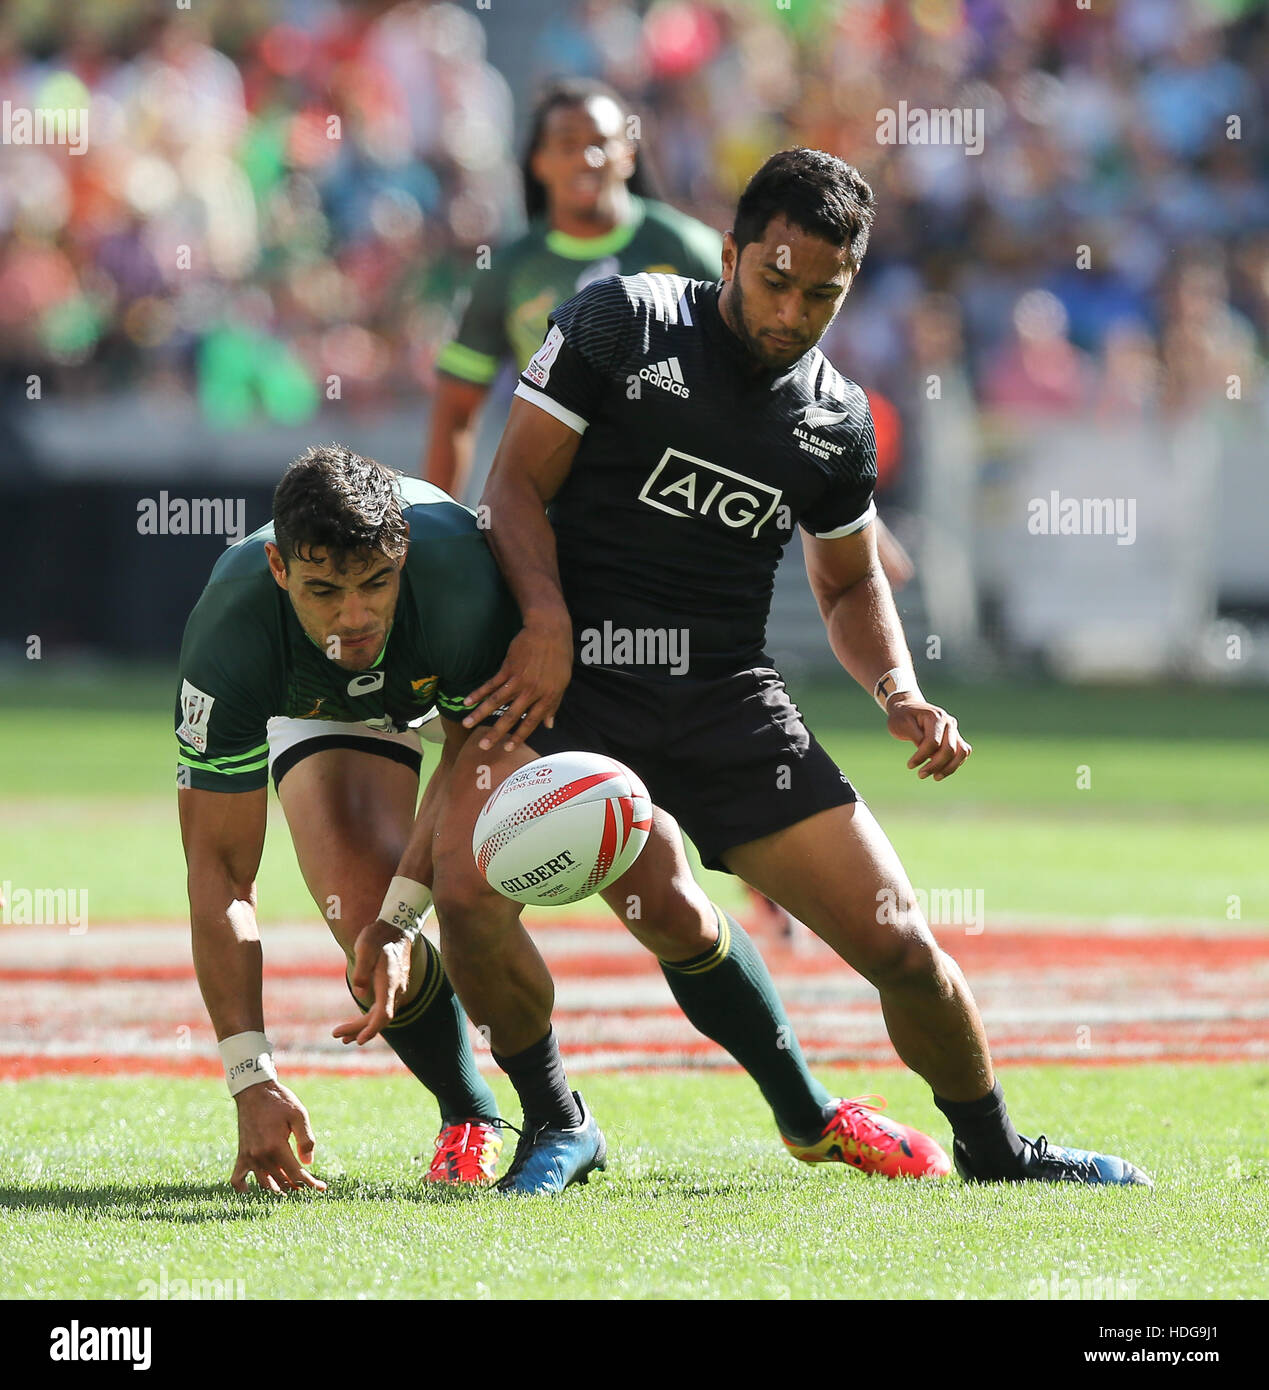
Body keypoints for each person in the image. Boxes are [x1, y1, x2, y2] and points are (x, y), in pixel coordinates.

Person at [449, 147, 1152, 1191]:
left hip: (726, 702)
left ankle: (995, 1149)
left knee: (904, 944)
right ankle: (558, 1119)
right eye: (775, 279)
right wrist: (545, 621)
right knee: (468, 901)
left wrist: (898, 689)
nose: (793, 310)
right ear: (730, 252)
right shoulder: (618, 322)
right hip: (568, 682)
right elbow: (510, 489)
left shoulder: (836, 416)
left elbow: (849, 587)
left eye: (823, 293)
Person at [176, 448, 521, 1192]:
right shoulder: (230, 637)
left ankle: (795, 1101)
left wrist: (407, 918)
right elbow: (222, 873)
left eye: (373, 583)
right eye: (322, 591)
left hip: (456, 685)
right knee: (357, 914)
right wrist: (250, 1075)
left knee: (561, 851)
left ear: (403, 553)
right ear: (276, 569)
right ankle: (470, 1115)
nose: (352, 618)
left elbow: (471, 758)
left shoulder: (459, 575)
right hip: (332, 705)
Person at [424, 76, 721, 503]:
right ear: (540, 162)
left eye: (601, 142)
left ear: (629, 156)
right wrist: (436, 523)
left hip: (673, 506)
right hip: (558, 510)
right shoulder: (507, 271)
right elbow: (455, 410)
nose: (587, 158)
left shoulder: (689, 250)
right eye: (567, 144)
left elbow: (745, 364)